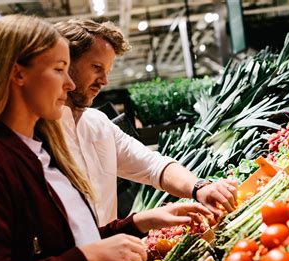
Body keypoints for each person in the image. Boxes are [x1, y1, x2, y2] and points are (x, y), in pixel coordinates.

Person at [0, 15, 212, 261]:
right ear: (17, 73)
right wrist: (89, 256)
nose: (70, 83)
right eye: (59, 69)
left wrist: (140, 222)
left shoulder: (42, 151)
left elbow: (70, 243)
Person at [54, 19, 238, 226]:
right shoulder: (38, 135)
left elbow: (152, 166)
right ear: (64, 63)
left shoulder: (97, 124)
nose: (104, 80)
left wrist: (199, 187)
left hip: (113, 251)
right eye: (97, 67)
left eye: (108, 71)